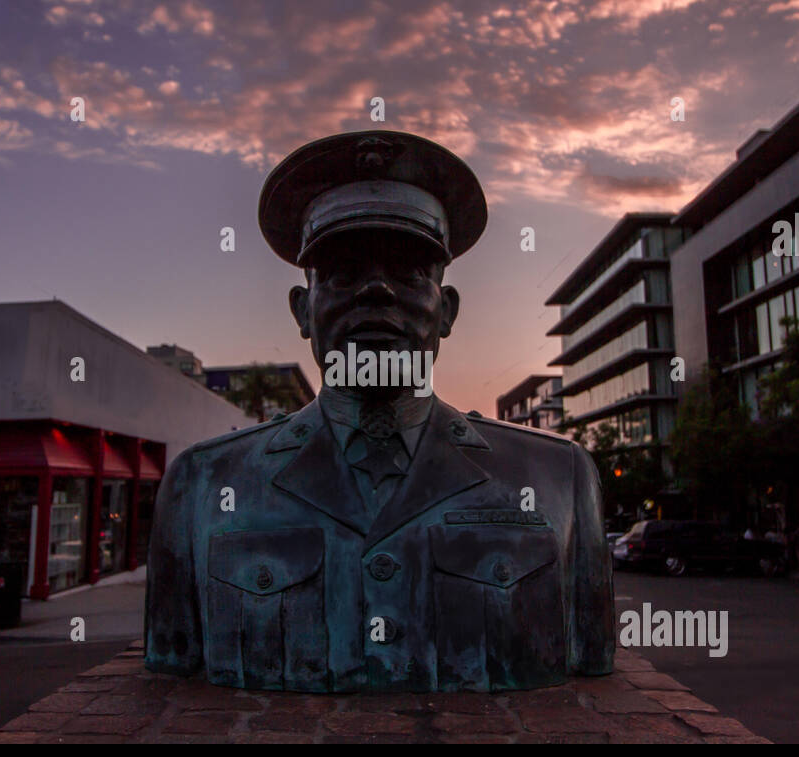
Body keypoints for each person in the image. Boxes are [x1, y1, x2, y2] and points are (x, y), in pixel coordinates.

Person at [145, 130, 615, 692]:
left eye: (410, 272)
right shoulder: (201, 486)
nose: (376, 290)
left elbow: (591, 670)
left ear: (447, 311)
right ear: (302, 311)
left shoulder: (559, 477)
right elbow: (169, 680)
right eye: (343, 273)